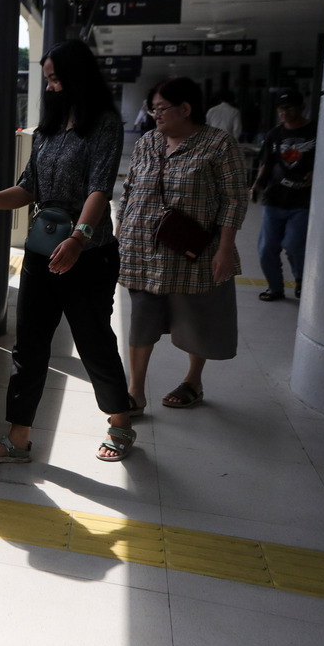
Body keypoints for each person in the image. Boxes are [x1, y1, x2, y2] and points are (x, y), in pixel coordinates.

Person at [0, 39, 134, 463]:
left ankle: (119, 422)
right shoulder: (47, 131)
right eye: (48, 80)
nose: (52, 88)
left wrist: (78, 239)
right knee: (29, 346)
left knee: (94, 340)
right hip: (43, 252)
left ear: (78, 77)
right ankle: (18, 438)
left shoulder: (104, 125)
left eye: (57, 78)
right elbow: (27, 189)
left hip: (88, 255)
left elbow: (100, 187)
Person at [117, 77, 248, 412]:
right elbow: (130, 189)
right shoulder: (148, 142)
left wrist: (224, 249)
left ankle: (193, 380)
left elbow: (234, 201)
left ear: (186, 109)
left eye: (161, 108)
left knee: (196, 317)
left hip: (193, 252)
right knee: (141, 318)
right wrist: (118, 236)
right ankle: (135, 391)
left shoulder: (219, 145)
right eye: (153, 108)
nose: (155, 115)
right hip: (142, 250)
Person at [252, 88, 316, 301]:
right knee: (266, 249)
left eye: (289, 108)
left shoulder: (317, 131)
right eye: (281, 109)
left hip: (303, 201)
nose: (284, 113)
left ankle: (300, 279)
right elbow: (267, 164)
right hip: (275, 199)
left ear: (301, 107)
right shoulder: (275, 134)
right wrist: (257, 186)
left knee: (293, 245)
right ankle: (275, 287)